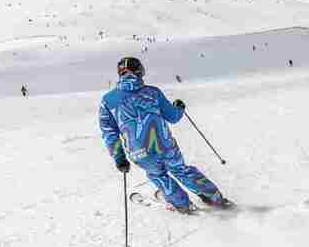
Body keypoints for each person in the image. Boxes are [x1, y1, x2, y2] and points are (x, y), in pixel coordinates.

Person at [98, 57, 231, 213]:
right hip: (165, 145)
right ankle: (214, 197)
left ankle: (182, 204)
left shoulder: (108, 100)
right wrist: (179, 108)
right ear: (140, 71)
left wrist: (119, 158)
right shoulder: (153, 92)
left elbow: (109, 132)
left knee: (158, 174)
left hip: (138, 152)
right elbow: (173, 117)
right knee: (180, 169)